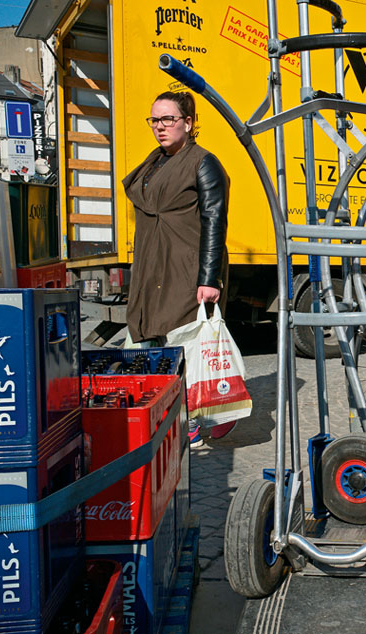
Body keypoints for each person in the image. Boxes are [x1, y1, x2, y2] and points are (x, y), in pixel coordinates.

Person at [123, 91, 230, 447]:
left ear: (188, 122)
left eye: (168, 119)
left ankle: (193, 422)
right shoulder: (154, 162)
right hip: (153, 265)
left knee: (186, 348)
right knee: (145, 342)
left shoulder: (204, 162)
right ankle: (155, 419)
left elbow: (215, 220)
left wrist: (209, 278)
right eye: (154, 119)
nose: (160, 126)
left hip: (186, 268)